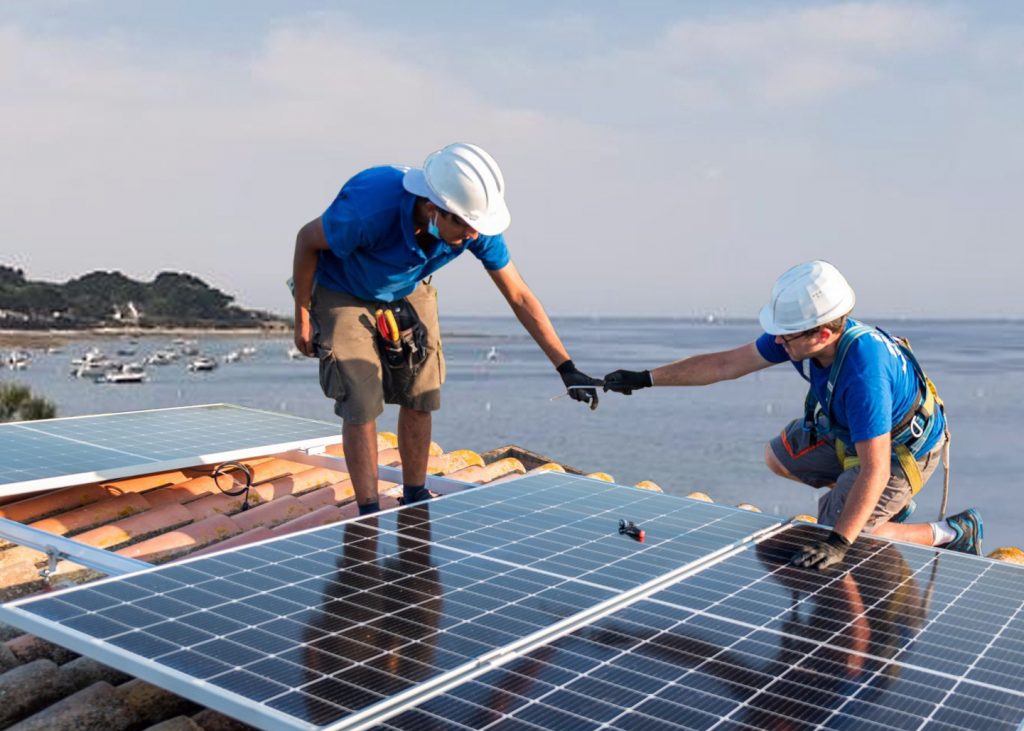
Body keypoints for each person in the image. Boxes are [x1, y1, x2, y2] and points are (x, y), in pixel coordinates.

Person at [603, 260, 983, 570]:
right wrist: (645, 378)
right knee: (778, 457)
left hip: (903, 452)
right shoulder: (801, 335)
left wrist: (837, 540)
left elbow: (877, 468)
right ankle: (869, 503)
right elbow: (724, 364)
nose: (778, 343)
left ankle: (950, 532)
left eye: (787, 336)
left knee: (851, 535)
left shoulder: (864, 374)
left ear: (821, 335)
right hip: (852, 434)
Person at [291, 142, 600, 515]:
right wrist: (303, 316)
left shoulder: (475, 224)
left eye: (476, 228)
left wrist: (566, 368)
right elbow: (307, 241)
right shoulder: (369, 208)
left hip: (406, 286)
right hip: (342, 287)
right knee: (360, 400)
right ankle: (369, 511)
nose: (473, 236)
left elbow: (518, 295)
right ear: (434, 207)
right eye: (465, 227)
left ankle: (415, 494)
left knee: (422, 391)